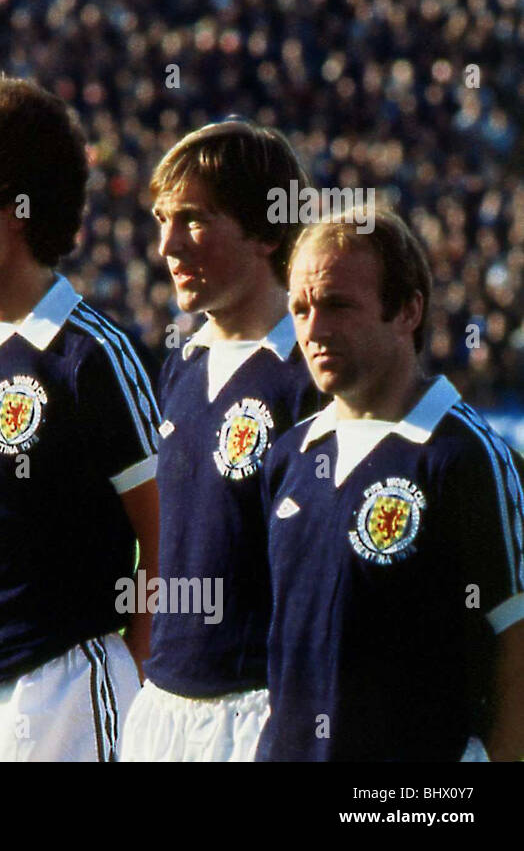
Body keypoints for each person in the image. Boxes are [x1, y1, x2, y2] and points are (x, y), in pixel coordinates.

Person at [0, 76, 161, 761]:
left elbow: (166, 535)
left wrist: (128, 674)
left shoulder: (91, 356)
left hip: (54, 697)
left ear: (17, 206)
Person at [257, 207, 524, 761]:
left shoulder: (466, 457)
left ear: (407, 310)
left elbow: (516, 650)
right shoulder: (289, 455)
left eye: (337, 305)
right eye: (300, 309)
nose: (313, 329)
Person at [120, 121, 322, 762]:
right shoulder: (182, 364)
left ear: (265, 231)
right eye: (162, 219)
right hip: (164, 705)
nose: (168, 245)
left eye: (194, 220)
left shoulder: (311, 381)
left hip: (261, 708)